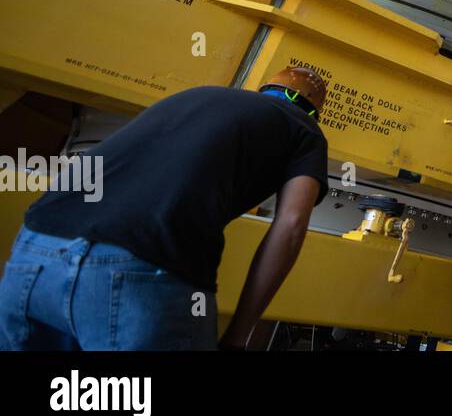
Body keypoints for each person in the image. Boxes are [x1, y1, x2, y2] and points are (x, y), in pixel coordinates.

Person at [0, 67, 331, 350]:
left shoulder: (197, 96)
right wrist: (237, 337)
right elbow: (290, 225)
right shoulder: (305, 130)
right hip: (139, 264)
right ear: (314, 112)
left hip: (36, 249)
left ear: (265, 88)